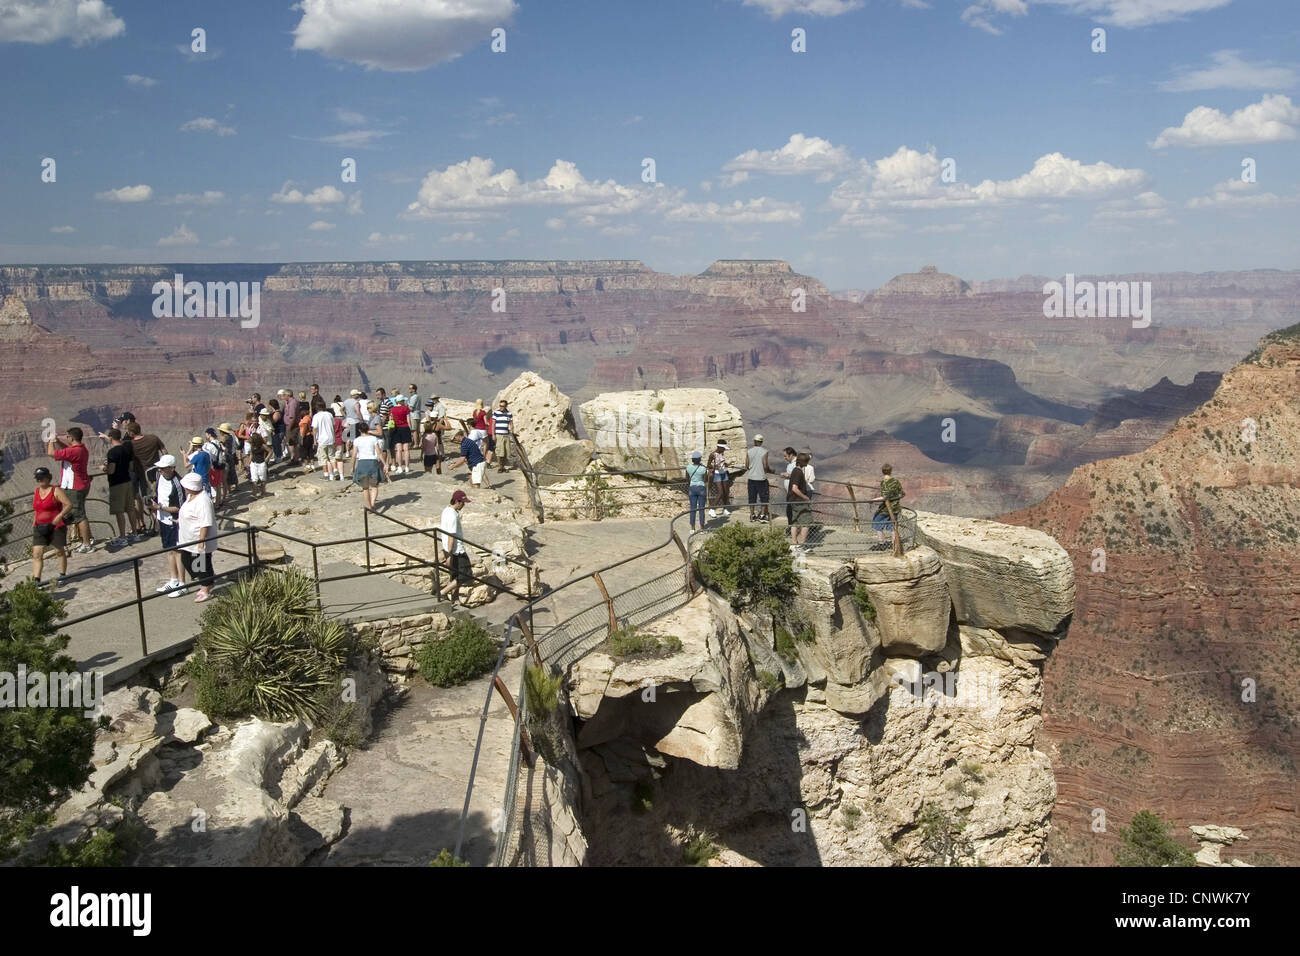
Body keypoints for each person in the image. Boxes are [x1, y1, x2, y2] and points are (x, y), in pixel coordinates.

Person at [47, 426, 94, 553]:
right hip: (82, 485)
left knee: (79, 516)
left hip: (74, 487)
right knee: (77, 513)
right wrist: (57, 441)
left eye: (67, 436)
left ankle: (87, 544)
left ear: (71, 438)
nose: (66, 438)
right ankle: (88, 539)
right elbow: (67, 450)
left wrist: (51, 440)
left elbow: (51, 453)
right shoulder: (81, 449)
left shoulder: (74, 452)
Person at [175, 471, 216, 602]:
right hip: (188, 539)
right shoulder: (191, 497)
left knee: (202, 564)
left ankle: (206, 587)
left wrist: (201, 541)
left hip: (197, 539)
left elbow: (205, 522)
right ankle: (206, 581)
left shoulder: (203, 501)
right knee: (188, 560)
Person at [149, 455, 186, 593]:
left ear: (172, 468)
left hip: (173, 521)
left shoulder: (177, 484)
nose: (160, 471)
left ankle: (182, 583)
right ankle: (173, 579)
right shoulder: (160, 478)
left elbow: (179, 508)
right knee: (168, 550)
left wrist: (159, 508)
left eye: (163, 469)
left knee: (178, 551)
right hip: (163, 519)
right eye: (159, 469)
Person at [30, 466, 71, 589]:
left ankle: (62, 575)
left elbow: (68, 504)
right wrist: (34, 523)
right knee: (37, 554)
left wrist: (60, 516)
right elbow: (36, 510)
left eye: (42, 478)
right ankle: (37, 580)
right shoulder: (36, 492)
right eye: (38, 478)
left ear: (48, 478)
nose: (40, 480)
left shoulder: (55, 490)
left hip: (55, 526)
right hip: (39, 527)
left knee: (59, 551)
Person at [125, 420, 166, 539]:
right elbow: (164, 451)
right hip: (158, 472)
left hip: (144, 475)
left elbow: (130, 464)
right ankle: (160, 524)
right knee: (159, 497)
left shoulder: (131, 445)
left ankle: (156, 527)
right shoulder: (153, 438)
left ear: (131, 433)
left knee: (149, 500)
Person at [103, 427, 141, 546]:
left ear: (110, 438)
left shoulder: (112, 452)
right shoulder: (126, 449)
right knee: (130, 508)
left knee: (119, 511)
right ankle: (134, 534)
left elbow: (111, 470)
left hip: (117, 484)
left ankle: (123, 537)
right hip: (128, 481)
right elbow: (130, 466)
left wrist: (103, 468)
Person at [438, 490, 472, 606]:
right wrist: (449, 554)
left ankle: (455, 598)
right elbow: (451, 536)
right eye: (463, 502)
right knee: (465, 575)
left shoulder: (446, 510)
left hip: (451, 550)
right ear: (457, 501)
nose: (464, 505)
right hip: (457, 551)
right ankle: (442, 592)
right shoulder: (452, 515)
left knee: (455, 575)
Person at [351, 421, 389, 510]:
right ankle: (372, 503)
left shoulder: (357, 440)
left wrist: (352, 467)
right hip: (372, 462)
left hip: (362, 463)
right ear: (368, 429)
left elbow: (354, 455)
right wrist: (384, 464)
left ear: (360, 430)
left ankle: (368, 506)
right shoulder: (373, 439)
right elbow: (379, 453)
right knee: (374, 486)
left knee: (365, 487)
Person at [870, 463, 906, 541]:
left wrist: (873, 500)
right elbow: (902, 493)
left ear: (882, 471)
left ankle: (881, 543)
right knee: (892, 526)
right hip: (895, 507)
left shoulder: (884, 482)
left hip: (886, 508)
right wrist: (895, 498)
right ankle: (894, 545)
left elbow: (884, 497)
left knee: (877, 522)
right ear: (891, 471)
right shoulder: (896, 481)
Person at [788, 452, 814, 551]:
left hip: (793, 500)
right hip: (799, 501)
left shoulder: (795, 470)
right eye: (807, 461)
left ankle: (794, 544)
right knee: (806, 521)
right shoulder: (798, 472)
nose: (807, 463)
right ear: (804, 461)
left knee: (795, 521)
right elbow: (795, 488)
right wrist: (805, 498)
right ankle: (802, 545)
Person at [745, 434, 773, 523]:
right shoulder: (764, 451)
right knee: (764, 497)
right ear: (761, 442)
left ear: (754, 441)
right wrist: (771, 471)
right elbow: (765, 465)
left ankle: (752, 515)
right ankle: (762, 516)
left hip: (751, 478)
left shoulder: (749, 451)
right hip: (761, 478)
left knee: (752, 497)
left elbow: (746, 465)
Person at [311, 400, 339, 480]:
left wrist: (314, 440)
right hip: (331, 438)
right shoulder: (329, 414)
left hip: (322, 439)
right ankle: (335, 469)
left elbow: (315, 429)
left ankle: (326, 474)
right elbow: (333, 426)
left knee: (323, 458)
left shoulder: (316, 416)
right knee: (332, 456)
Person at [706, 440, 731, 518]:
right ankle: (712, 509)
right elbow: (708, 465)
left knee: (726, 492)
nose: (724, 450)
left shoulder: (722, 453)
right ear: (719, 447)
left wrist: (726, 464)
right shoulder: (712, 455)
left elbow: (722, 462)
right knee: (720, 492)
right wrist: (714, 467)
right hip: (717, 474)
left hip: (724, 473)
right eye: (723, 448)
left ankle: (725, 508)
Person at [389, 392, 413, 474]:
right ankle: (407, 467)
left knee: (398, 449)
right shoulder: (406, 408)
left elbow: (390, 420)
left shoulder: (392, 409)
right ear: (402, 401)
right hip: (405, 428)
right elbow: (408, 420)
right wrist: (411, 430)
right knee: (406, 449)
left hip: (396, 429)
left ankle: (399, 467)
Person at [685, 450, 708, 534]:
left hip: (692, 487)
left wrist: (691, 484)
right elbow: (705, 479)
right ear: (699, 459)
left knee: (692, 508)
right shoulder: (703, 468)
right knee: (701, 509)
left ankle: (692, 528)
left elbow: (687, 479)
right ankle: (702, 528)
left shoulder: (688, 467)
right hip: (701, 487)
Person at [202, 427, 226, 507]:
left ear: (209, 435)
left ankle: (216, 503)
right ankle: (219, 502)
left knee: (214, 486)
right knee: (219, 485)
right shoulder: (218, 442)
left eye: (206, 434)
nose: (206, 436)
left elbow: (207, 455)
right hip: (219, 465)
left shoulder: (210, 446)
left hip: (213, 467)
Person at [491, 399, 514, 472]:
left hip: (506, 434)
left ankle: (504, 466)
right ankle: (500, 467)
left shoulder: (509, 414)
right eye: (500, 406)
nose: (501, 407)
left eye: (503, 406)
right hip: (499, 434)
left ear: (506, 406)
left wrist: (512, 430)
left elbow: (511, 423)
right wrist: (493, 434)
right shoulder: (496, 413)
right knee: (499, 451)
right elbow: (493, 424)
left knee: (507, 451)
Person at [218, 423, 239, 501]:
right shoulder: (230, 436)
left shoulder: (225, 438)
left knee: (227, 474)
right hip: (231, 455)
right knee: (232, 471)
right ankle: (236, 486)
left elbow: (221, 446)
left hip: (226, 457)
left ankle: (229, 491)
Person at [247, 431, 270, 497]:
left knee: (263, 478)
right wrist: (249, 462)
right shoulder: (252, 445)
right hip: (254, 463)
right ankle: (254, 494)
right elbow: (251, 454)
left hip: (261, 463)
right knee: (254, 479)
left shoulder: (263, 445)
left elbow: (270, 451)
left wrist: (266, 459)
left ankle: (263, 492)